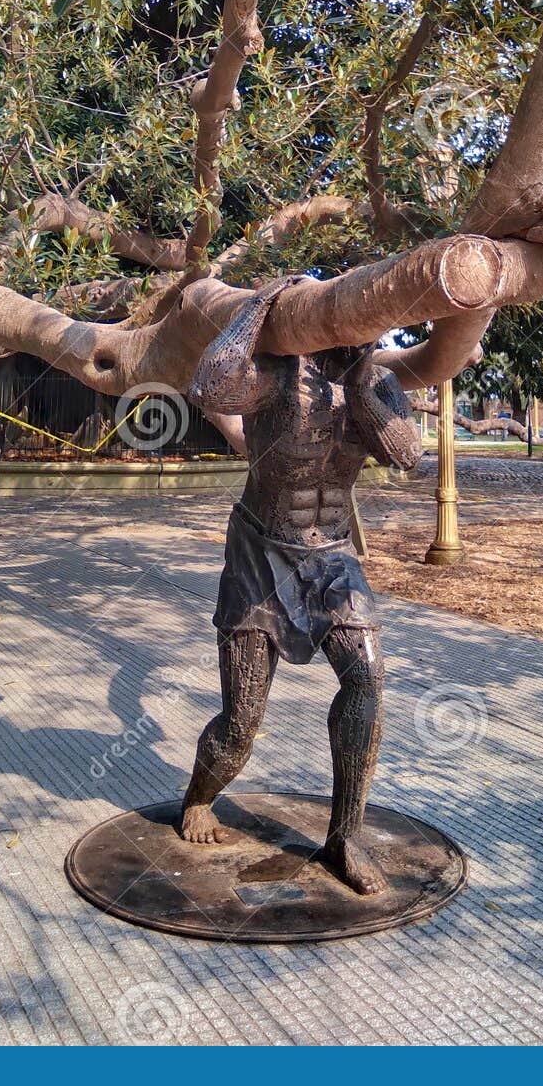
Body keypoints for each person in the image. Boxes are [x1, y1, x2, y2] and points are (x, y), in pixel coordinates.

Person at [180, 277, 422, 895]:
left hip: (333, 557)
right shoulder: (279, 375)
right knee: (240, 725)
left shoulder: (375, 381)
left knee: (367, 679)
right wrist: (265, 304)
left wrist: (367, 379)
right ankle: (199, 798)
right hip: (261, 553)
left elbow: (405, 454)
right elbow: (209, 385)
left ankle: (345, 837)